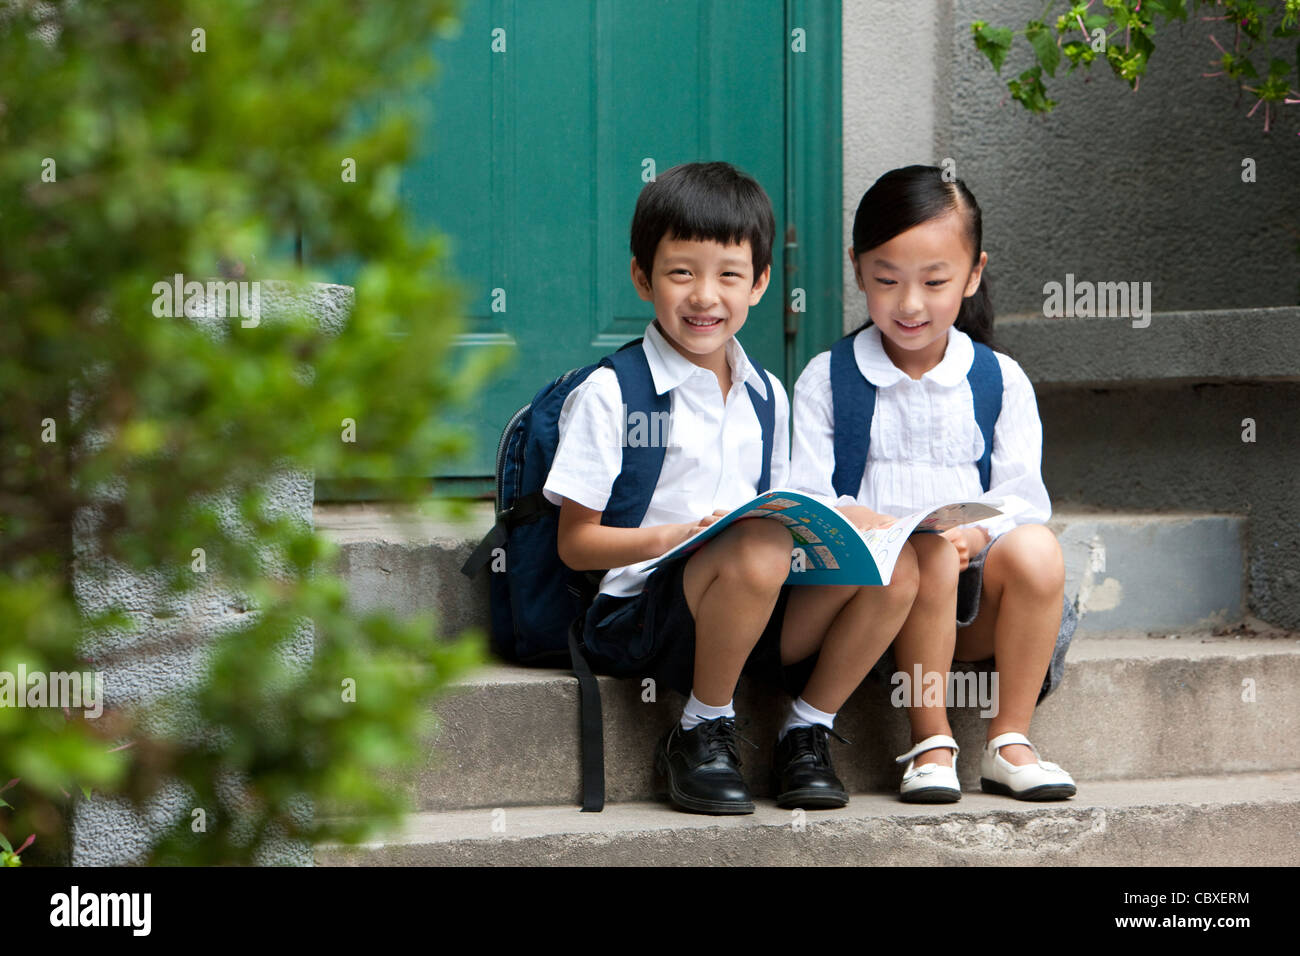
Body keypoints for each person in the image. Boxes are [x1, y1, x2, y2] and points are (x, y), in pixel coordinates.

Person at [544, 161, 919, 815]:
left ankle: (807, 727)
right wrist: (676, 537)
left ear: (761, 283)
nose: (704, 297)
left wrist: (847, 518)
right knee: (757, 547)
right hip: (639, 617)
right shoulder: (613, 393)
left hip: (748, 606)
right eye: (680, 273)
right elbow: (575, 546)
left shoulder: (767, 395)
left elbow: (784, 510)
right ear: (642, 277)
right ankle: (701, 729)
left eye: (729, 276)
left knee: (899, 563)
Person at [789, 164, 1077, 803]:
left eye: (935, 281)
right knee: (927, 554)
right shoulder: (828, 379)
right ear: (858, 269)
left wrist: (978, 533)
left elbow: (1022, 498)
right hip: (873, 607)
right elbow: (804, 496)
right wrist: (879, 529)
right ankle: (930, 741)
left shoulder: (997, 379)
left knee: (1037, 547)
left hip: (972, 613)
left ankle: (1010, 740)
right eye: (887, 280)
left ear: (973, 273)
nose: (910, 304)